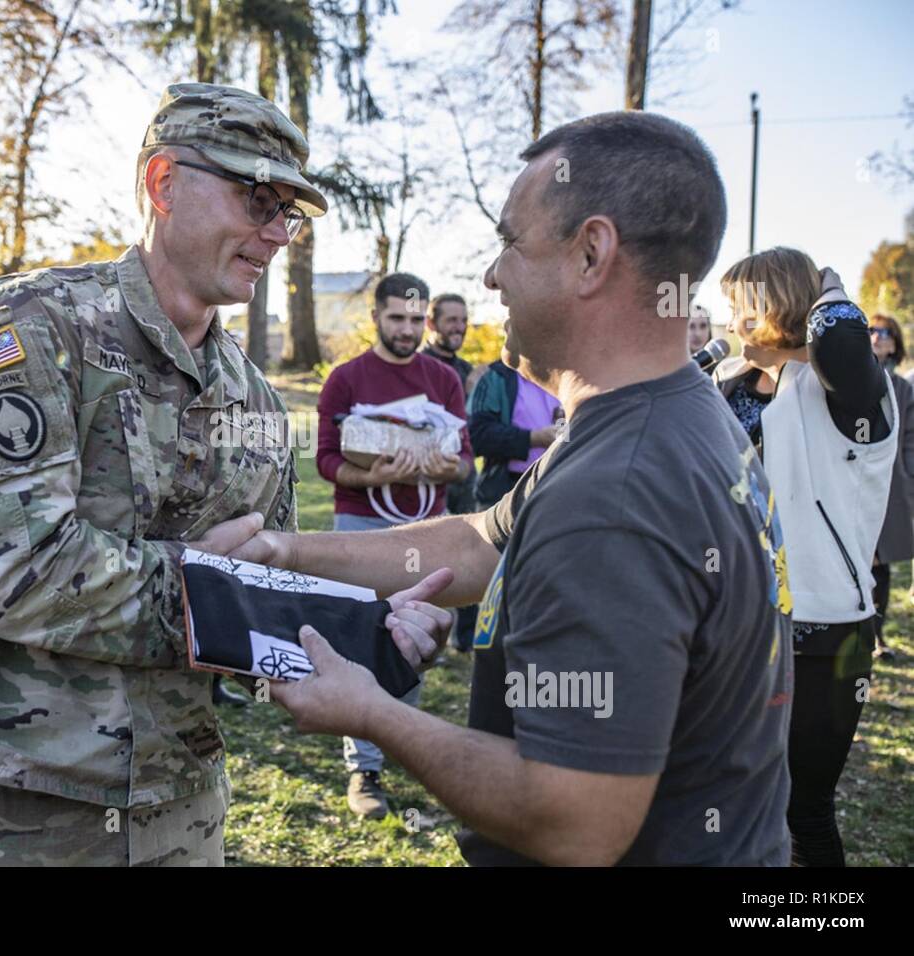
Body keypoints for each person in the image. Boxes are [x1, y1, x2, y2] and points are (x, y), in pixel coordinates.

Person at [0, 83, 449, 866]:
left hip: (179, 806)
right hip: (9, 802)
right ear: (163, 184)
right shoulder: (35, 327)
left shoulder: (253, 397)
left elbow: (258, 596)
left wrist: (369, 640)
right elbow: (1, 568)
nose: (277, 234)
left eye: (289, 212)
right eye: (258, 198)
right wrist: (202, 585)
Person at [221, 111, 795, 866]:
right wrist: (283, 549)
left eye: (509, 244)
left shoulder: (616, 494)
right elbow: (481, 539)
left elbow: (574, 822)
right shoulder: (667, 410)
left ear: (591, 254)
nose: (491, 276)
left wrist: (371, 712)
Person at [714, 249, 895, 867]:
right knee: (735, 800)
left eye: (742, 304)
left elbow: (843, 343)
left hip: (823, 631)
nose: (730, 318)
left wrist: (830, 287)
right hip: (733, 625)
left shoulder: (853, 392)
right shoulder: (725, 386)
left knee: (803, 810)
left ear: (779, 306)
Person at [315, 272, 471, 819]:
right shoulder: (345, 379)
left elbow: (467, 459)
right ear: (377, 316)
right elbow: (326, 459)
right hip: (361, 527)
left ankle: (404, 748)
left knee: (414, 642)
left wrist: (444, 466)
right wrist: (370, 475)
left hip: (427, 527)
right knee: (363, 642)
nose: (407, 329)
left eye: (415, 319)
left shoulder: (444, 379)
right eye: (397, 318)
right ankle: (365, 770)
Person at [422, 293, 481, 653]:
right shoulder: (421, 366)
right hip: (426, 483)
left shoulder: (470, 370)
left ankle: (468, 638)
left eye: (463, 320)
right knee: (429, 562)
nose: (459, 327)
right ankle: (428, 639)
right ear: (432, 324)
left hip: (464, 480)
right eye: (451, 320)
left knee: (471, 554)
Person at [467, 321, 561, 510]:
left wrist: (563, 428)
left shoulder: (565, 376)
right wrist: (532, 438)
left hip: (555, 487)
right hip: (504, 493)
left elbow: (567, 427)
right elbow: (477, 436)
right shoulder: (495, 378)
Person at [869, 313, 913, 660]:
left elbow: (911, 440)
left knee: (881, 565)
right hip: (856, 485)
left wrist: (908, 475)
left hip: (891, 487)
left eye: (884, 332)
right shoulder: (852, 381)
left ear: (895, 342)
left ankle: (877, 638)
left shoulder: (904, 389)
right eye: (870, 330)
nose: (877, 337)